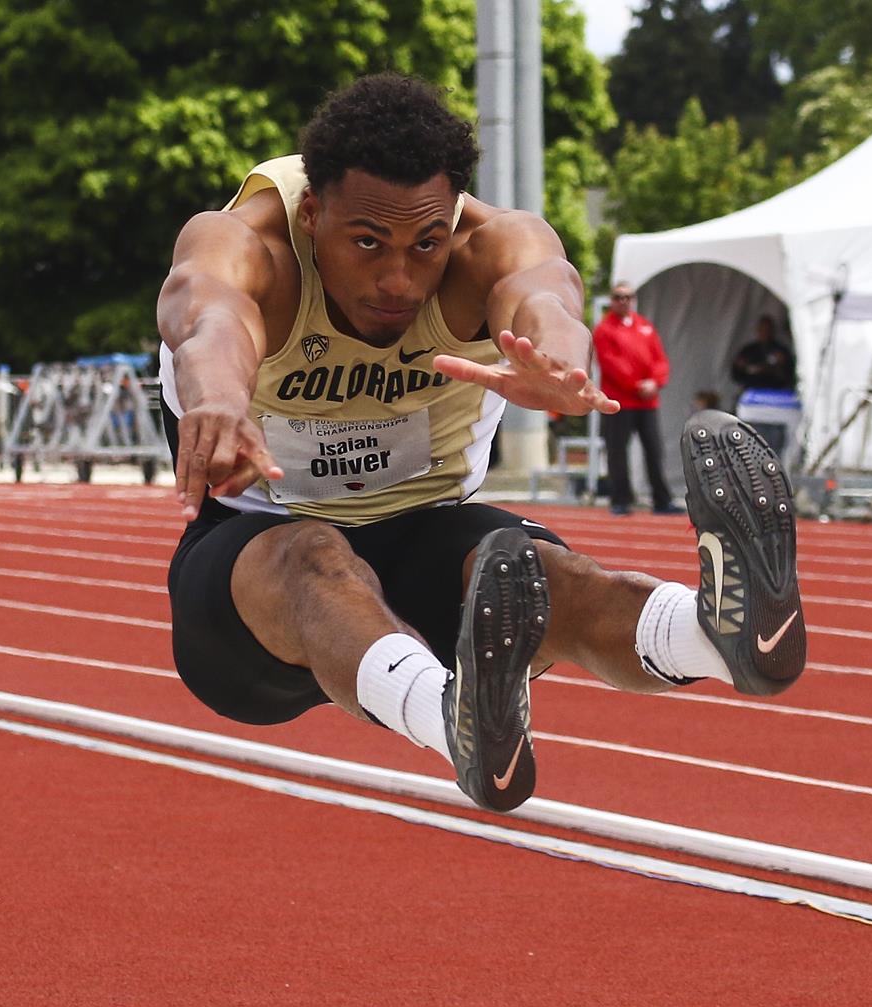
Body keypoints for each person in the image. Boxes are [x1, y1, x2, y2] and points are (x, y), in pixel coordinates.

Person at [156, 73, 805, 813]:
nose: (398, 278)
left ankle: (716, 637)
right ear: (312, 214)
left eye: (424, 244)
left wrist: (561, 360)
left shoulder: (486, 245)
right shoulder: (248, 242)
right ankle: (453, 716)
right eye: (367, 242)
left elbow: (545, 291)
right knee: (315, 554)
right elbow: (209, 317)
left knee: (544, 574)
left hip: (429, 535)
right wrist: (217, 396)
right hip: (254, 573)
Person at [590, 281, 675, 515]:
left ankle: (661, 499)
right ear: (612, 300)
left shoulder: (645, 326)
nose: (623, 301)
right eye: (618, 297)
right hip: (619, 401)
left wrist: (655, 382)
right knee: (617, 451)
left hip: (647, 402)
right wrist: (636, 385)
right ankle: (620, 499)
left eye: (628, 296)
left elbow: (660, 359)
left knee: (654, 450)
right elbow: (611, 363)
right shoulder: (605, 330)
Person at [730, 314, 796, 393]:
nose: (765, 333)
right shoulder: (748, 350)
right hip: (752, 392)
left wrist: (783, 364)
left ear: (773, 331)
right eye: (762, 330)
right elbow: (736, 376)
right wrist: (739, 367)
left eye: (768, 330)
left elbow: (791, 376)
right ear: (758, 330)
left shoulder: (781, 350)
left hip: (775, 392)